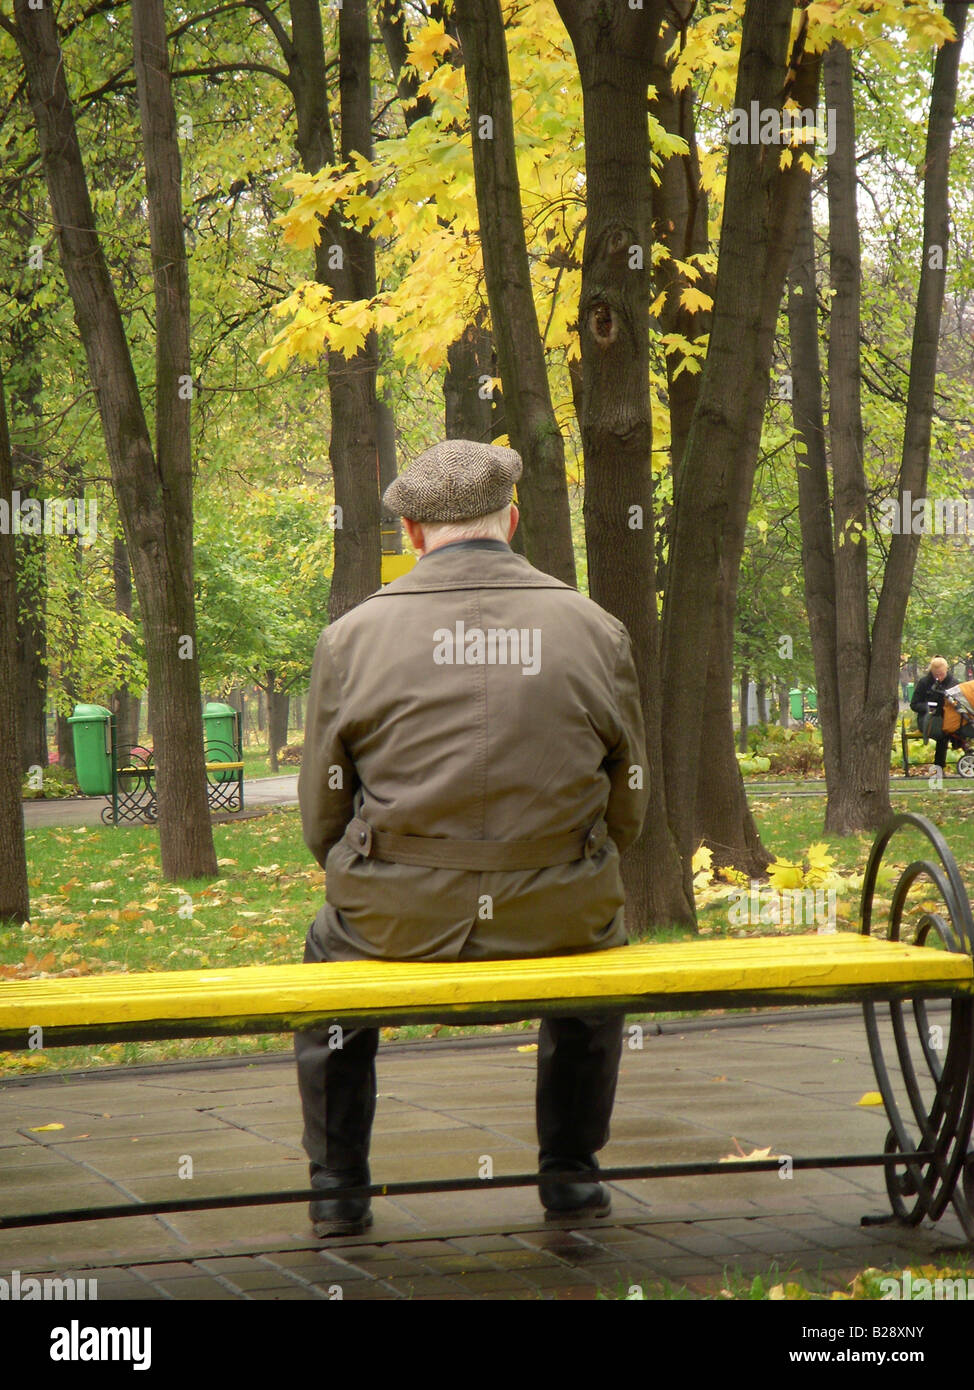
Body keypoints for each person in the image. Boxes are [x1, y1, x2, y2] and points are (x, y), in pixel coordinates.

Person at [295, 439, 649, 1236]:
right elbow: (629, 798)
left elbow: (322, 815)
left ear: (412, 533)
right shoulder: (595, 628)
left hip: (394, 915)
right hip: (559, 909)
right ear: (512, 521)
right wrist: (578, 863)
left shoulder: (350, 638)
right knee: (600, 940)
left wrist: (365, 870)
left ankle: (338, 1186)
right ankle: (570, 1174)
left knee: (329, 959)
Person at [911, 657, 962, 772]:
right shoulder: (924, 682)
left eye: (941, 674)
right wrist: (928, 707)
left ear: (946, 670)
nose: (939, 677)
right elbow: (914, 704)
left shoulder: (954, 683)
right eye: (936, 674)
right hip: (928, 719)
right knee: (942, 733)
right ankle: (939, 766)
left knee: (954, 729)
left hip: (949, 718)